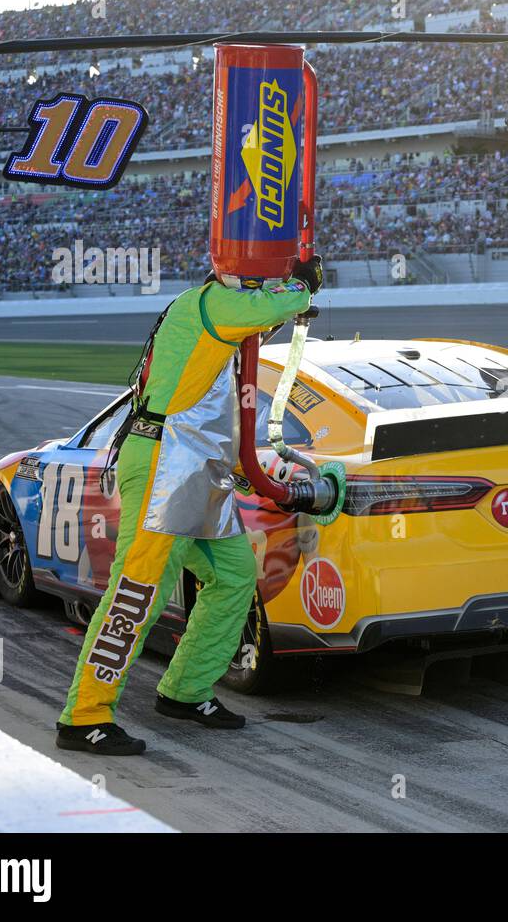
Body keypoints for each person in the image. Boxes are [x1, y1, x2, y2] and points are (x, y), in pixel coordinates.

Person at [55, 256, 324, 756]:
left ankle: (185, 690)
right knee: (138, 591)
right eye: (255, 285)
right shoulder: (212, 302)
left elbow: (256, 331)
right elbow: (280, 303)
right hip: (166, 462)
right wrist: (300, 286)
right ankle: (84, 716)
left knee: (236, 575)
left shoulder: (222, 325)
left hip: (198, 469)